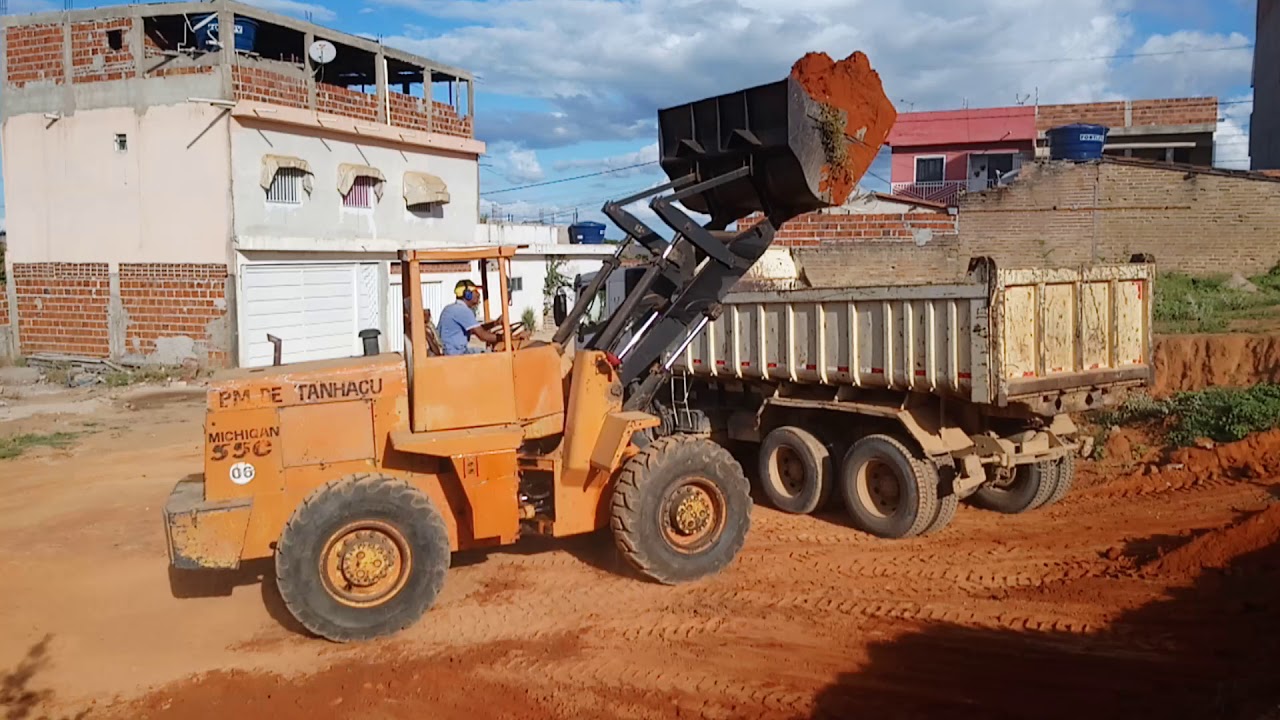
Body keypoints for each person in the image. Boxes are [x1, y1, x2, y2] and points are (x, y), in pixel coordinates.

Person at [438, 279, 501, 355]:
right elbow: (483, 336)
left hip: (451, 352)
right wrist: (503, 338)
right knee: (492, 356)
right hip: (457, 355)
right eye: (475, 291)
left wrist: (495, 323)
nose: (478, 295)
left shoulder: (450, 308)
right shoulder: (463, 310)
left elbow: (476, 329)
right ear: (467, 294)